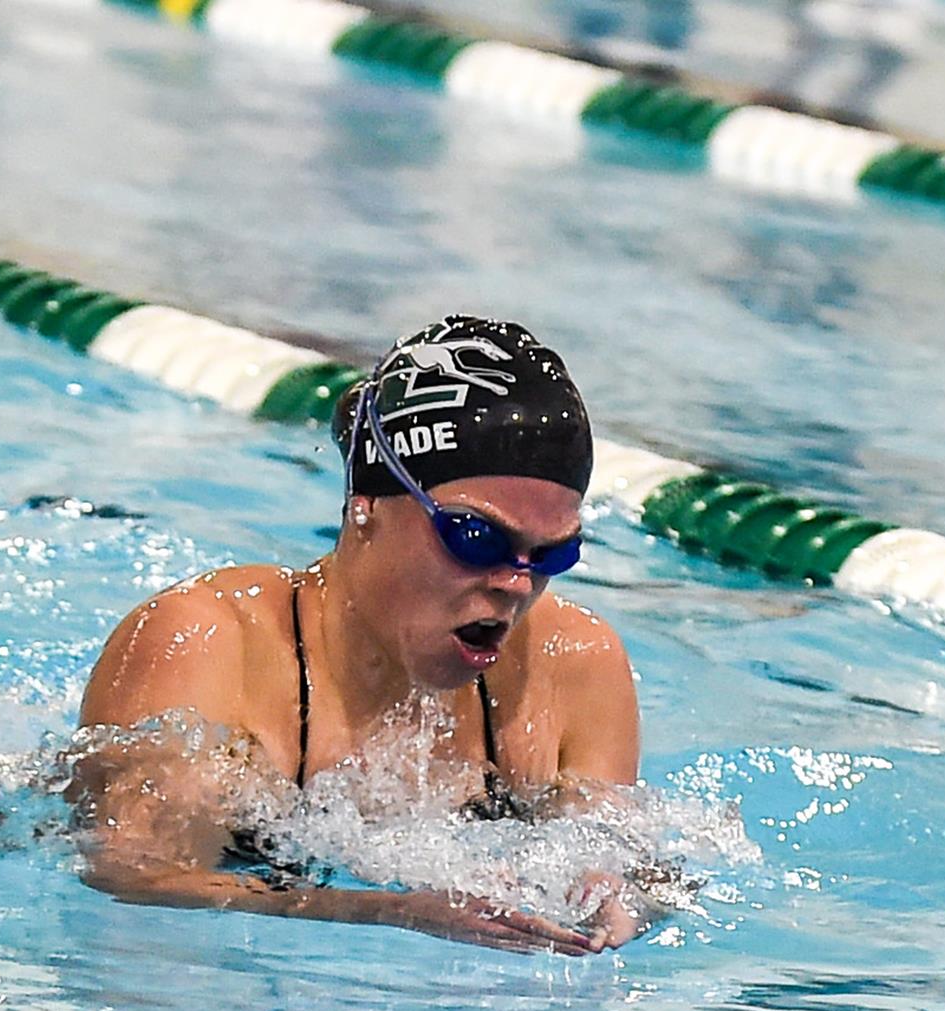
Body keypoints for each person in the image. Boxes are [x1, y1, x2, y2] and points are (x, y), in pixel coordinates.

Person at [69, 315, 650, 954]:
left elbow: (620, 865)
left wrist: (620, 900)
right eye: (476, 537)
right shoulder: (206, 644)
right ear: (366, 505)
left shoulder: (573, 665)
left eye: (551, 557)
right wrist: (385, 912)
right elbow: (133, 879)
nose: (515, 585)